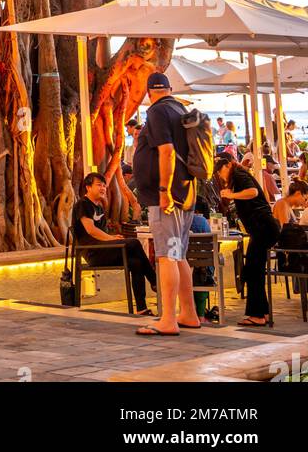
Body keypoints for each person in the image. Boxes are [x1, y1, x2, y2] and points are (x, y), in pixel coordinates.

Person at [131, 72, 201, 337]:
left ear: (149, 92)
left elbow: (167, 151)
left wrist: (163, 190)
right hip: (185, 194)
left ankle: (168, 319)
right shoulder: (180, 109)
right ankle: (189, 313)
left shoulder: (158, 112)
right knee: (178, 254)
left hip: (167, 198)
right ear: (170, 89)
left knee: (165, 256)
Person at [71, 173, 156, 315]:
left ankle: (141, 308)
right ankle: (154, 280)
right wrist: (112, 240)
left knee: (135, 262)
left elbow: (101, 233)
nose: (103, 188)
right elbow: (91, 231)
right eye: (99, 185)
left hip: (103, 249)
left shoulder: (99, 207)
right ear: (88, 187)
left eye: (104, 185)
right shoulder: (83, 204)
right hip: (93, 252)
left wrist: (112, 238)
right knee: (134, 243)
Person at [213, 153, 280, 328]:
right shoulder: (238, 176)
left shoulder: (239, 175)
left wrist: (232, 195)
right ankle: (262, 312)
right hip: (262, 229)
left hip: (263, 228)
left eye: (220, 171)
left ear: (227, 166)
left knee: (252, 270)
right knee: (254, 270)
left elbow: (253, 192)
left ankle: (256, 315)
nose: (221, 176)